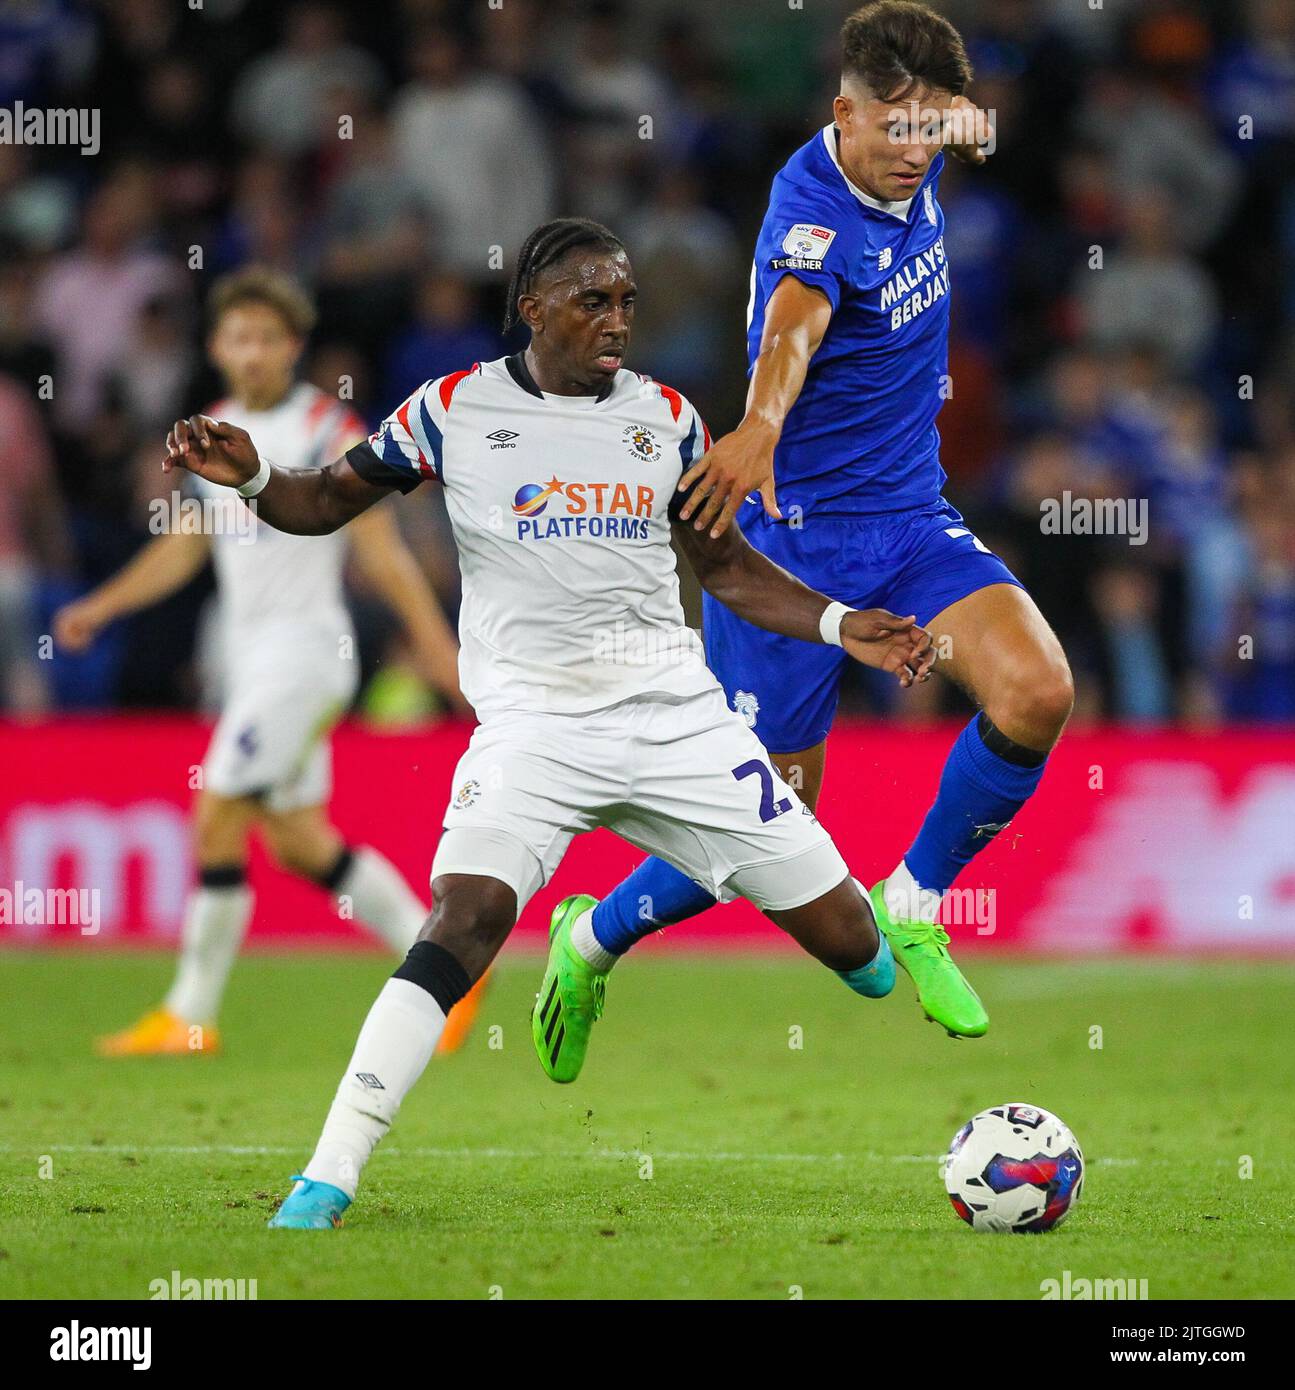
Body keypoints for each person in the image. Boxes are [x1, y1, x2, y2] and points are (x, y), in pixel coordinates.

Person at [158, 218, 933, 1228]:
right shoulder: (450, 409)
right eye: (591, 302)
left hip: (674, 720)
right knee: (462, 922)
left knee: (859, 955)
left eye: (625, 304)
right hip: (532, 727)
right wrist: (257, 476)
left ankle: (595, 933)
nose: (616, 322)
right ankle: (328, 1171)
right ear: (532, 307)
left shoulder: (668, 419)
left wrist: (840, 625)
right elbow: (320, 503)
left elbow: (729, 571)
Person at [559, 0, 1075, 1056]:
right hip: (787, 558)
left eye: (928, 130)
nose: (909, 152)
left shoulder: (923, 141)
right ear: (842, 113)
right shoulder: (816, 221)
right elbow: (793, 324)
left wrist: (959, 121)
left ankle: (914, 899)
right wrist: (755, 425)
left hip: (911, 521)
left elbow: (967, 123)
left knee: (1038, 689)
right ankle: (591, 937)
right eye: (891, 129)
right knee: (765, 826)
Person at [54, 267, 484, 1057]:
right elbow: (187, 548)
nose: (251, 352)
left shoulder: (327, 428)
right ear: (217, 346)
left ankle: (190, 1014)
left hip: (307, 652)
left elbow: (382, 556)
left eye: (267, 338)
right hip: (249, 659)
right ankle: (452, 971)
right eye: (237, 337)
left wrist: (439, 650)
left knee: (216, 812)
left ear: (291, 347)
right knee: (296, 840)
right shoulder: (213, 427)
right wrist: (102, 605)